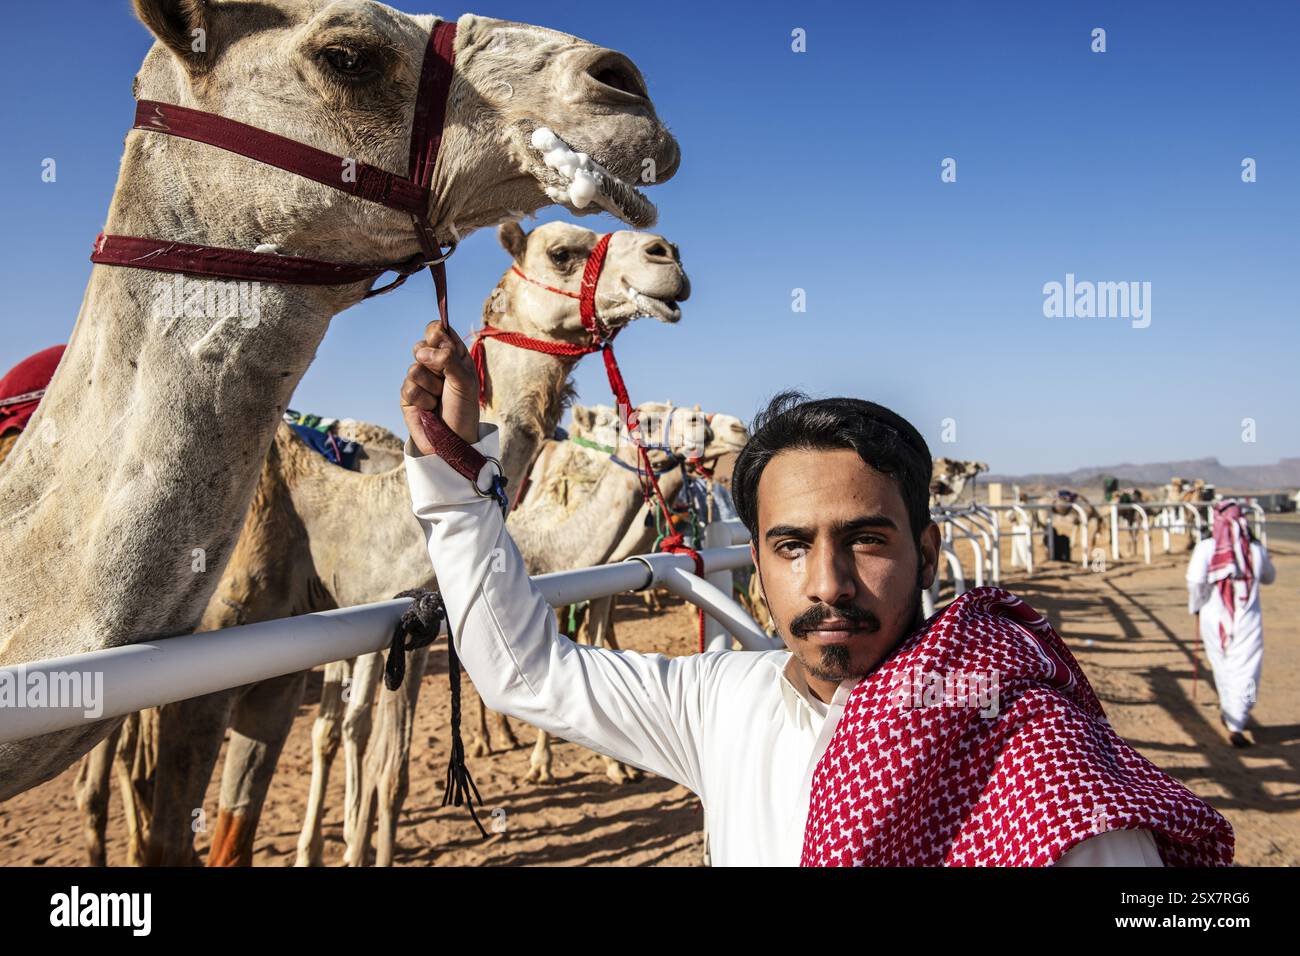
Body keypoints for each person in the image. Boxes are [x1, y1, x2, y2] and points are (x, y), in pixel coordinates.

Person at [396, 319, 1233, 866]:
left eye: (866, 540)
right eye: (792, 547)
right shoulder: (724, 703)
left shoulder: (1035, 753)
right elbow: (527, 673)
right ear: (755, 566)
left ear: (930, 553)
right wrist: (457, 470)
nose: (828, 586)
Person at [1186, 500, 1276, 747]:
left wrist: (1196, 604)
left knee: (1221, 666)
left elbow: (1195, 581)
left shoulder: (1206, 548)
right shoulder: (1254, 550)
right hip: (1246, 619)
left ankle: (1231, 715)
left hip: (1213, 618)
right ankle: (1238, 719)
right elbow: (1270, 577)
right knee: (1246, 671)